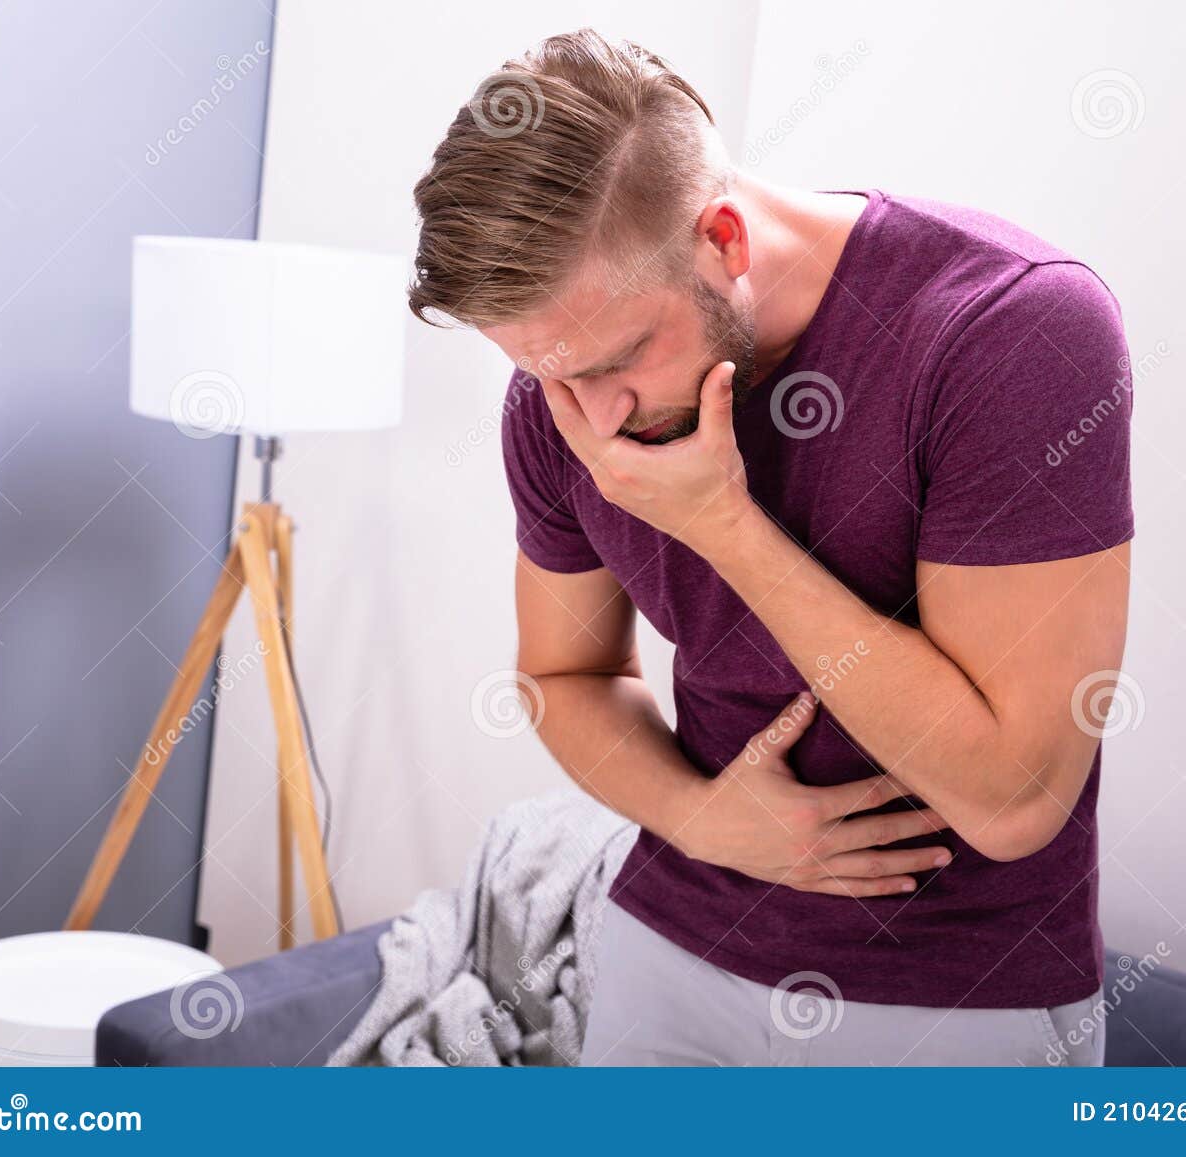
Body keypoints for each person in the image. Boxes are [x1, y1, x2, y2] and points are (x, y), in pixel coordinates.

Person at [407, 28, 1132, 1066]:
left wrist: (725, 527)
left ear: (725, 241)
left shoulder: (1008, 332)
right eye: (542, 373)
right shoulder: (562, 397)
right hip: (673, 948)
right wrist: (703, 821)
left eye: (616, 361)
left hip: (953, 995)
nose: (590, 418)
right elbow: (563, 673)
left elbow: (1015, 800)